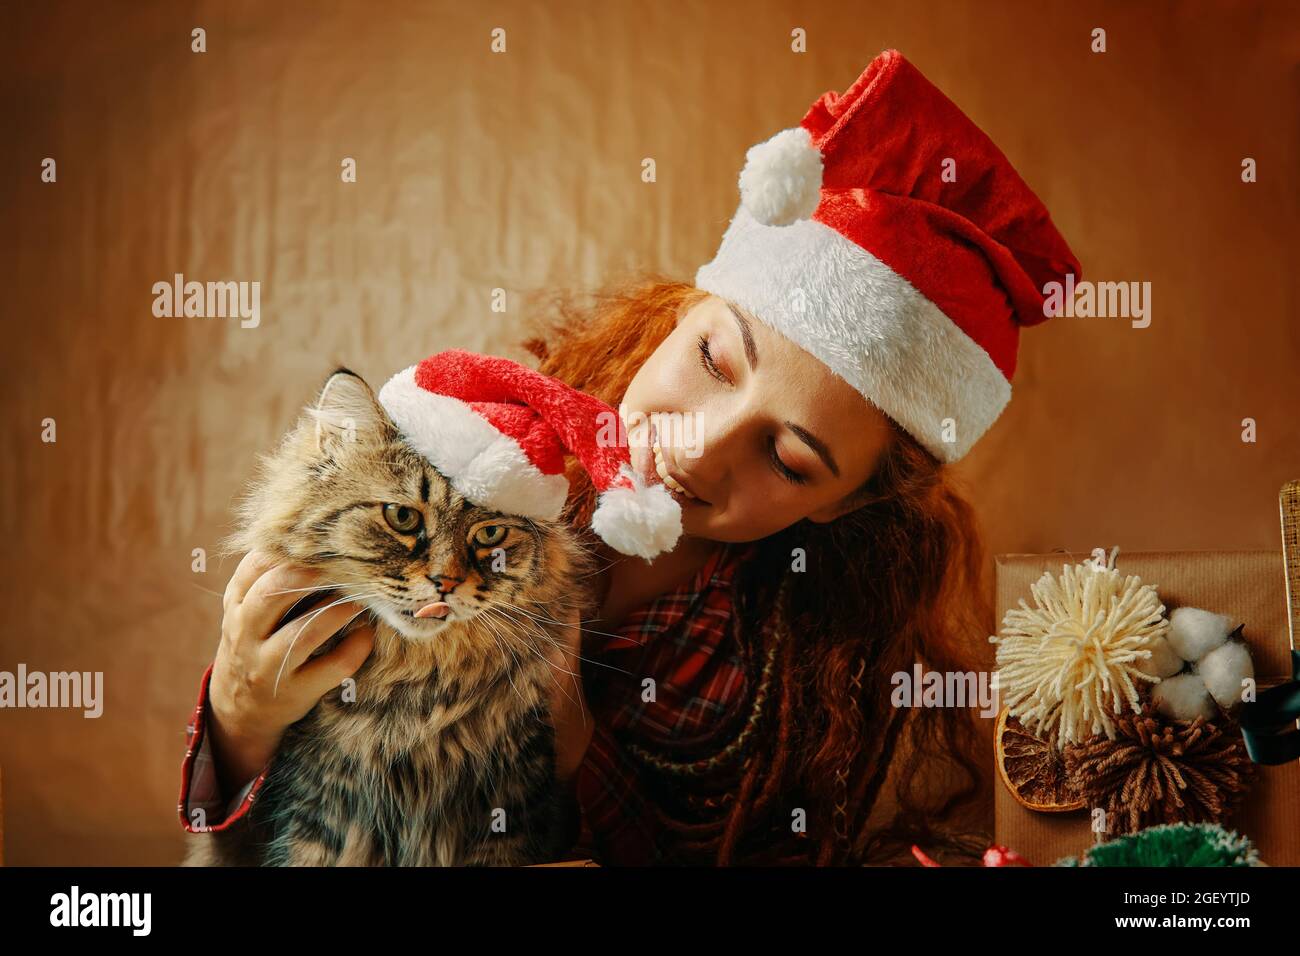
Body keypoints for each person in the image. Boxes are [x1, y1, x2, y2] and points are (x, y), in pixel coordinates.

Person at [177, 49, 1081, 866]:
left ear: (841, 505)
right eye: (712, 361)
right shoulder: (476, 454)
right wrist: (240, 723)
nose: (702, 445)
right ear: (678, 314)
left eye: (790, 458)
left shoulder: (783, 667)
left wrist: (570, 741)